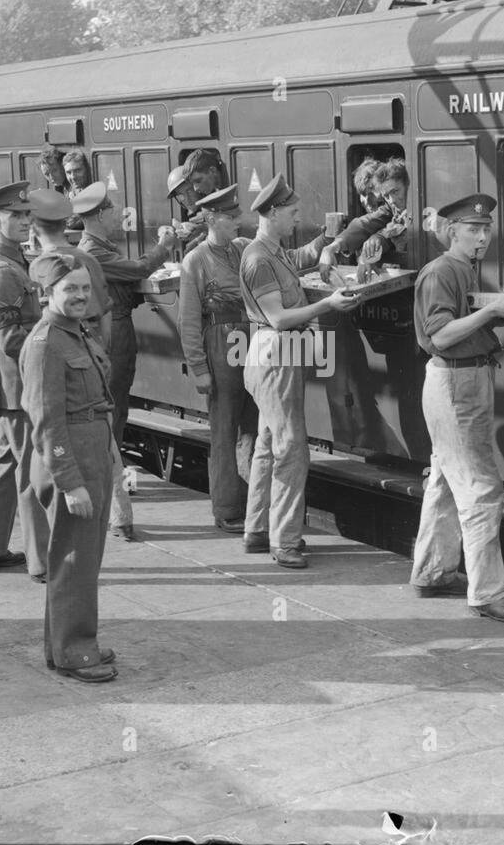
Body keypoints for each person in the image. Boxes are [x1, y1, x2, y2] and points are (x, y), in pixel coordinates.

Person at [409, 194, 504, 618]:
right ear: (451, 232)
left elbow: (464, 322)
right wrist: (491, 310)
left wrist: (500, 312)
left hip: (464, 379)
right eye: (472, 230)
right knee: (481, 487)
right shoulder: (442, 271)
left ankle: (432, 572)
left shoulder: (463, 269)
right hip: (456, 382)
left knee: (444, 481)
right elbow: (440, 336)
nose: (482, 237)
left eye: (486, 230)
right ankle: (489, 594)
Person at [240, 173, 358, 568]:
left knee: (267, 444)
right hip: (276, 354)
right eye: (291, 213)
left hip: (274, 356)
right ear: (272, 213)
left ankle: (257, 530)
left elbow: (300, 260)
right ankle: (285, 542)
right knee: (291, 449)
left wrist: (327, 240)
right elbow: (278, 318)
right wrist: (329, 305)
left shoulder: (274, 252)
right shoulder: (258, 259)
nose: (295, 219)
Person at [20, 252, 118, 682]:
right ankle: (74, 651)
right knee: (74, 559)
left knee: (86, 556)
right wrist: (71, 484)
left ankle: (69, 642)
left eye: (84, 288)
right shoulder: (46, 345)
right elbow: (45, 420)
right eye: (70, 290)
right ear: (47, 294)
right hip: (72, 458)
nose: (80, 296)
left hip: (93, 448)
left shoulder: (77, 333)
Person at [76, 180, 177, 540]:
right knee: (113, 410)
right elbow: (135, 270)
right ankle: (111, 489)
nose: (116, 214)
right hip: (113, 331)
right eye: (110, 209)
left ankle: (112, 481)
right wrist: (164, 247)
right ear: (99, 215)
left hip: (120, 326)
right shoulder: (95, 250)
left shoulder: (101, 246)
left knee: (116, 410)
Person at [27, 186, 130, 533]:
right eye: (71, 290)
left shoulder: (44, 267)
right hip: (89, 369)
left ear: (32, 227)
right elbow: (103, 314)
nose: (79, 295)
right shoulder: (86, 260)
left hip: (72, 374)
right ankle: (121, 518)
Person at [0, 181, 47, 581]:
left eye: (26, 214)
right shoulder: (2, 271)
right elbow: (14, 338)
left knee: (5, 463)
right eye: (14, 215)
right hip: (14, 381)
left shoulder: (9, 261)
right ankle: (41, 561)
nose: (23, 221)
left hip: (1, 379)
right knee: (31, 470)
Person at [177, 183, 259, 533]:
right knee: (224, 429)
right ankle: (227, 509)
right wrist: (199, 369)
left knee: (252, 427)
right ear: (211, 219)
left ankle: (254, 503)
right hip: (220, 343)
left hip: (249, 341)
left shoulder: (242, 248)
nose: (238, 220)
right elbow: (188, 320)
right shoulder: (195, 260)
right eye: (230, 216)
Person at [318, 157, 409, 282]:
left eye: (396, 191)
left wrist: (377, 240)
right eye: (386, 196)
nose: (392, 200)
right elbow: (364, 224)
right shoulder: (391, 208)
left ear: (408, 185)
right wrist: (331, 247)